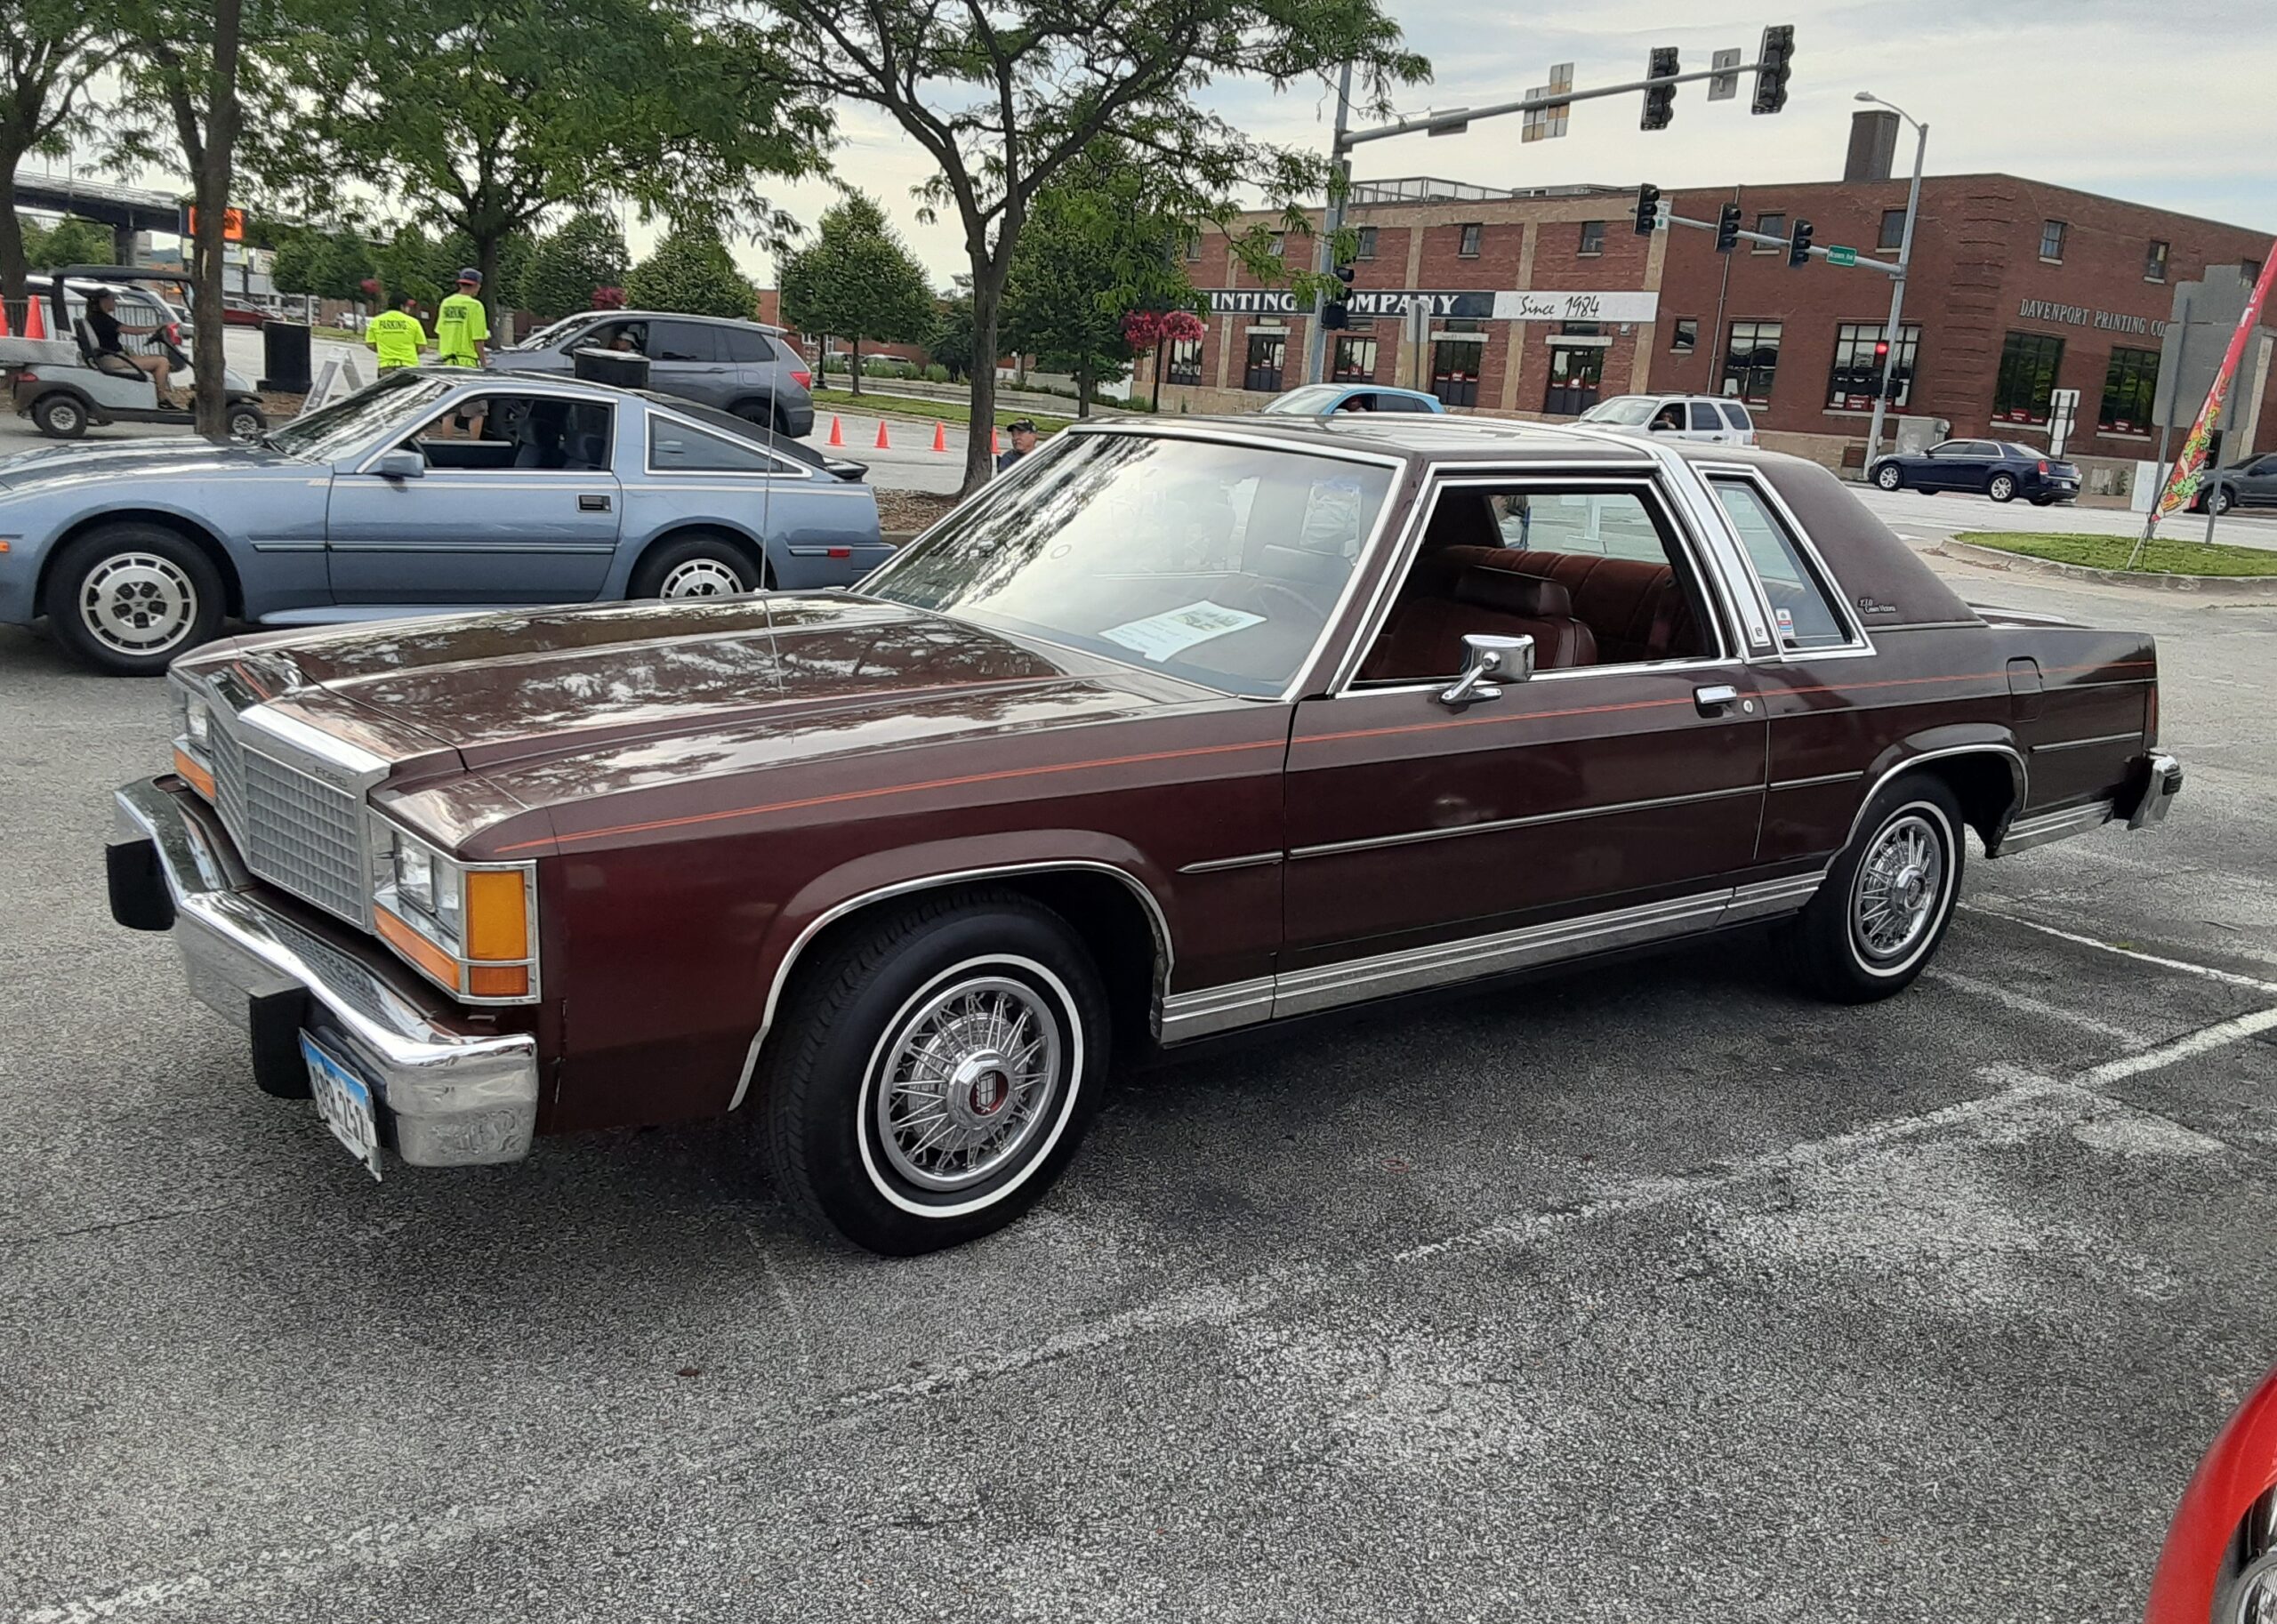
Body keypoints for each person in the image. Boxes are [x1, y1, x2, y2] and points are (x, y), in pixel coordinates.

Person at [84, 290, 175, 406]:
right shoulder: (100, 319)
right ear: (103, 300)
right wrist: (157, 327)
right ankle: (162, 400)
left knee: (153, 360)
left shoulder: (96, 318)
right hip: (112, 360)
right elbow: (132, 330)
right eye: (112, 299)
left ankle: (153, 398)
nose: (115, 302)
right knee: (162, 361)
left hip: (113, 357)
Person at [434, 269, 490, 437]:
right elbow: (477, 338)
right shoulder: (475, 306)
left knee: (449, 410)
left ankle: (447, 445)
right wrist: (483, 362)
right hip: (467, 363)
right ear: (477, 286)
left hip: (447, 362)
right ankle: (474, 447)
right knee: (477, 411)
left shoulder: (447, 303)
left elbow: (440, 330)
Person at [364, 294, 428, 371]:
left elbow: (370, 344)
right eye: (407, 306)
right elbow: (422, 348)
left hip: (386, 365)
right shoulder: (414, 322)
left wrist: (384, 351)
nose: (409, 309)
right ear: (401, 306)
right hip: (409, 366)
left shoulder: (376, 321)